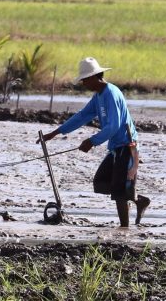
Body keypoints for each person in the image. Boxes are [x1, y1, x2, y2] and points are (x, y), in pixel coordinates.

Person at [38, 57, 151, 227]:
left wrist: (92, 141)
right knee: (100, 183)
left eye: (84, 79)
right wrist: (55, 133)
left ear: (94, 77)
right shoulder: (98, 96)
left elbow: (113, 126)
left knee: (119, 192)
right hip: (115, 147)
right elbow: (82, 116)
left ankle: (124, 230)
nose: (83, 83)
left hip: (127, 146)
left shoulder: (111, 94)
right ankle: (137, 199)